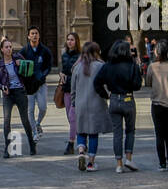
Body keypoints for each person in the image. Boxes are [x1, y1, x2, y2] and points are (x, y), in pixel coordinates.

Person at [93, 39, 143, 173]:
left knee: (117, 133)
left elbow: (97, 82)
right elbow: (137, 85)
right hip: (128, 98)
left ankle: (119, 164)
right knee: (130, 130)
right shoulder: (132, 65)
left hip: (114, 99)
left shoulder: (108, 66)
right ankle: (129, 158)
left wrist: (105, 95)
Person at [71, 41, 111, 172]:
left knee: (81, 131)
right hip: (96, 104)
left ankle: (81, 152)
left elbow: (73, 89)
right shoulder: (101, 66)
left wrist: (73, 103)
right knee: (93, 134)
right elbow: (106, 86)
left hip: (80, 104)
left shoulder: (76, 67)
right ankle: (91, 163)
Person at [0, 38, 37, 157]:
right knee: (6, 121)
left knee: (25, 120)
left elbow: (30, 69)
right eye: (6, 47)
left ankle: (31, 143)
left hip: (20, 92)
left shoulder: (17, 58)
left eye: (10, 47)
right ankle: (7, 148)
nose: (9, 49)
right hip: (8, 94)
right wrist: (3, 87)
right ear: (2, 49)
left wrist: (22, 64)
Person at [146, 39, 168, 170]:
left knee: (159, 134)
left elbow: (148, 82)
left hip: (157, 103)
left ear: (157, 52)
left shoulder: (152, 67)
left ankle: (162, 162)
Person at [19, 27, 54, 140]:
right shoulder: (24, 51)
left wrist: (43, 75)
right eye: (32, 33)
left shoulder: (45, 51)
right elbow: (17, 64)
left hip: (41, 84)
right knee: (30, 110)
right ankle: (34, 132)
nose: (34, 35)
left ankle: (38, 123)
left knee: (43, 107)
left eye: (36, 33)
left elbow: (49, 66)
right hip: (28, 85)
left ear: (39, 36)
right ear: (28, 36)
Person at [58, 32, 81, 154]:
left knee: (72, 117)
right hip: (66, 89)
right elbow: (63, 69)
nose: (69, 42)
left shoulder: (81, 56)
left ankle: (71, 143)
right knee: (70, 117)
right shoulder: (64, 54)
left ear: (76, 41)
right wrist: (61, 74)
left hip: (77, 90)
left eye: (72, 39)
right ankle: (82, 139)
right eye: (68, 39)